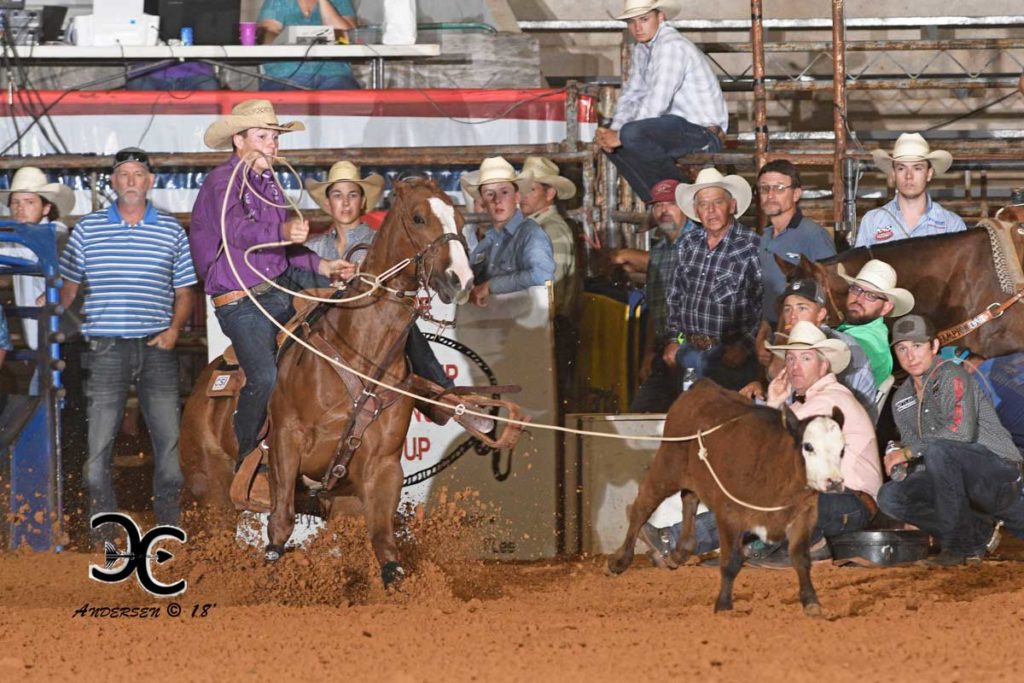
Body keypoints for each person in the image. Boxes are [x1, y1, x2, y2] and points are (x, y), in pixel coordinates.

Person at [190, 99, 346, 468]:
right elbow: (236, 232)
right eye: (263, 136)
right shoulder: (221, 183)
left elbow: (283, 251)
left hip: (274, 285)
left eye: (274, 137)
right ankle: (247, 458)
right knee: (264, 374)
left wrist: (323, 265)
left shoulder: (268, 184)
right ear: (238, 141)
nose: (273, 144)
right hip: (240, 301)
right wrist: (281, 230)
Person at [58, 147, 197, 532]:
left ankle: (168, 529)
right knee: (98, 444)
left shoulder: (170, 230)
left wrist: (172, 330)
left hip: (157, 344)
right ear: (114, 182)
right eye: (124, 175)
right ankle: (105, 533)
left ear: (150, 182)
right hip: (105, 345)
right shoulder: (88, 229)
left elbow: (186, 291)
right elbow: (68, 288)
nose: (132, 181)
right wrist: (49, 307)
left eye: (138, 174)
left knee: (169, 443)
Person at [302, 161, 491, 435]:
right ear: (328, 202)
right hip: (327, 332)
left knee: (400, 323)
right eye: (338, 195)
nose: (345, 203)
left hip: (370, 328)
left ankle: (443, 398)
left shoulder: (383, 240)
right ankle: (444, 395)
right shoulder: (314, 248)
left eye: (352, 195)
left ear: (363, 201)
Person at [878, 315, 1024, 566]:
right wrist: (905, 469)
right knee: (891, 496)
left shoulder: (951, 375)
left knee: (939, 450)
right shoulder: (901, 399)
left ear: (934, 347)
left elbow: (960, 433)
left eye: (917, 346)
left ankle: (956, 548)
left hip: (998, 471)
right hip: (956, 479)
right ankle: (974, 537)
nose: (910, 356)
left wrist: (906, 453)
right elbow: (919, 454)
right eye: (902, 348)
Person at [595, 0, 727, 203]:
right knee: (612, 140)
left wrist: (621, 134)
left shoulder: (671, 46)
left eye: (644, 19)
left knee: (631, 134)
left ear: (661, 17)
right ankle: (658, 201)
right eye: (632, 22)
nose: (637, 27)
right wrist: (614, 131)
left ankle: (680, 199)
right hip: (672, 130)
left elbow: (658, 100)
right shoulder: (642, 49)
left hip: (703, 134)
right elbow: (632, 94)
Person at [661, 167, 761, 392]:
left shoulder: (751, 246)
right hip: (688, 352)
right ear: (696, 210)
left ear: (732, 205)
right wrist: (672, 340)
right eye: (704, 205)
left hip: (729, 356)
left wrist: (745, 346)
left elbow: (761, 302)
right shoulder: (688, 243)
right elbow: (675, 295)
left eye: (718, 202)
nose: (711, 211)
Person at [742, 279, 878, 421]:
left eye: (802, 308)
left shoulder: (841, 350)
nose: (792, 316)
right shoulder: (792, 344)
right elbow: (789, 399)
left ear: (821, 314)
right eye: (788, 309)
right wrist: (757, 392)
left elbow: (831, 409)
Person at [628, 179, 694, 412]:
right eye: (657, 205)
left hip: (694, 350)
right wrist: (648, 353)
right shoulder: (658, 252)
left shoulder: (700, 246)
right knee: (642, 414)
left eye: (670, 204)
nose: (663, 211)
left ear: (685, 207)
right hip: (664, 351)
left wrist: (678, 342)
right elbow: (654, 309)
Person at [461, 157, 555, 306]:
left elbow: (543, 276)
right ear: (483, 201)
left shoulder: (531, 234)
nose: (497, 200)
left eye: (504, 192)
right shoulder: (487, 242)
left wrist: (490, 287)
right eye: (489, 194)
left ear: (517, 196)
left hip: (524, 325)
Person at [0, 166, 74, 350]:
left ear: (46, 207)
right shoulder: (14, 240)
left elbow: (24, 254)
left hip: (65, 338)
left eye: (29, 202)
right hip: (42, 339)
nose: (20, 208)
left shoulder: (55, 233)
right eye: (15, 202)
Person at [755, 160, 836, 327]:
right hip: (766, 329)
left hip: (798, 332)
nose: (770, 195)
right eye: (764, 188)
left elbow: (830, 289)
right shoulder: (763, 237)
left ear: (796, 194)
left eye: (779, 188)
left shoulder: (813, 235)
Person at [856, 133, 966, 247]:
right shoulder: (872, 222)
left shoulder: (951, 225)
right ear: (893, 174)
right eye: (901, 168)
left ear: (929, 174)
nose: (909, 176)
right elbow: (860, 264)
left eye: (917, 168)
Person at [834, 259, 914, 385]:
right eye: (856, 289)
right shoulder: (859, 330)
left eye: (871, 295)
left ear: (886, 308)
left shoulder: (867, 342)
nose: (859, 299)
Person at [518, 156, 580, 319]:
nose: (523, 196)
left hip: (546, 324)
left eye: (531, 189)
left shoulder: (551, 229)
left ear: (550, 193)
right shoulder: (534, 227)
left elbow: (553, 291)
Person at [257, 0, 360, 90]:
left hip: (335, 73)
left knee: (342, 98)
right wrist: (291, 37)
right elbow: (266, 35)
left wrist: (324, 2)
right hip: (285, 73)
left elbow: (347, 37)